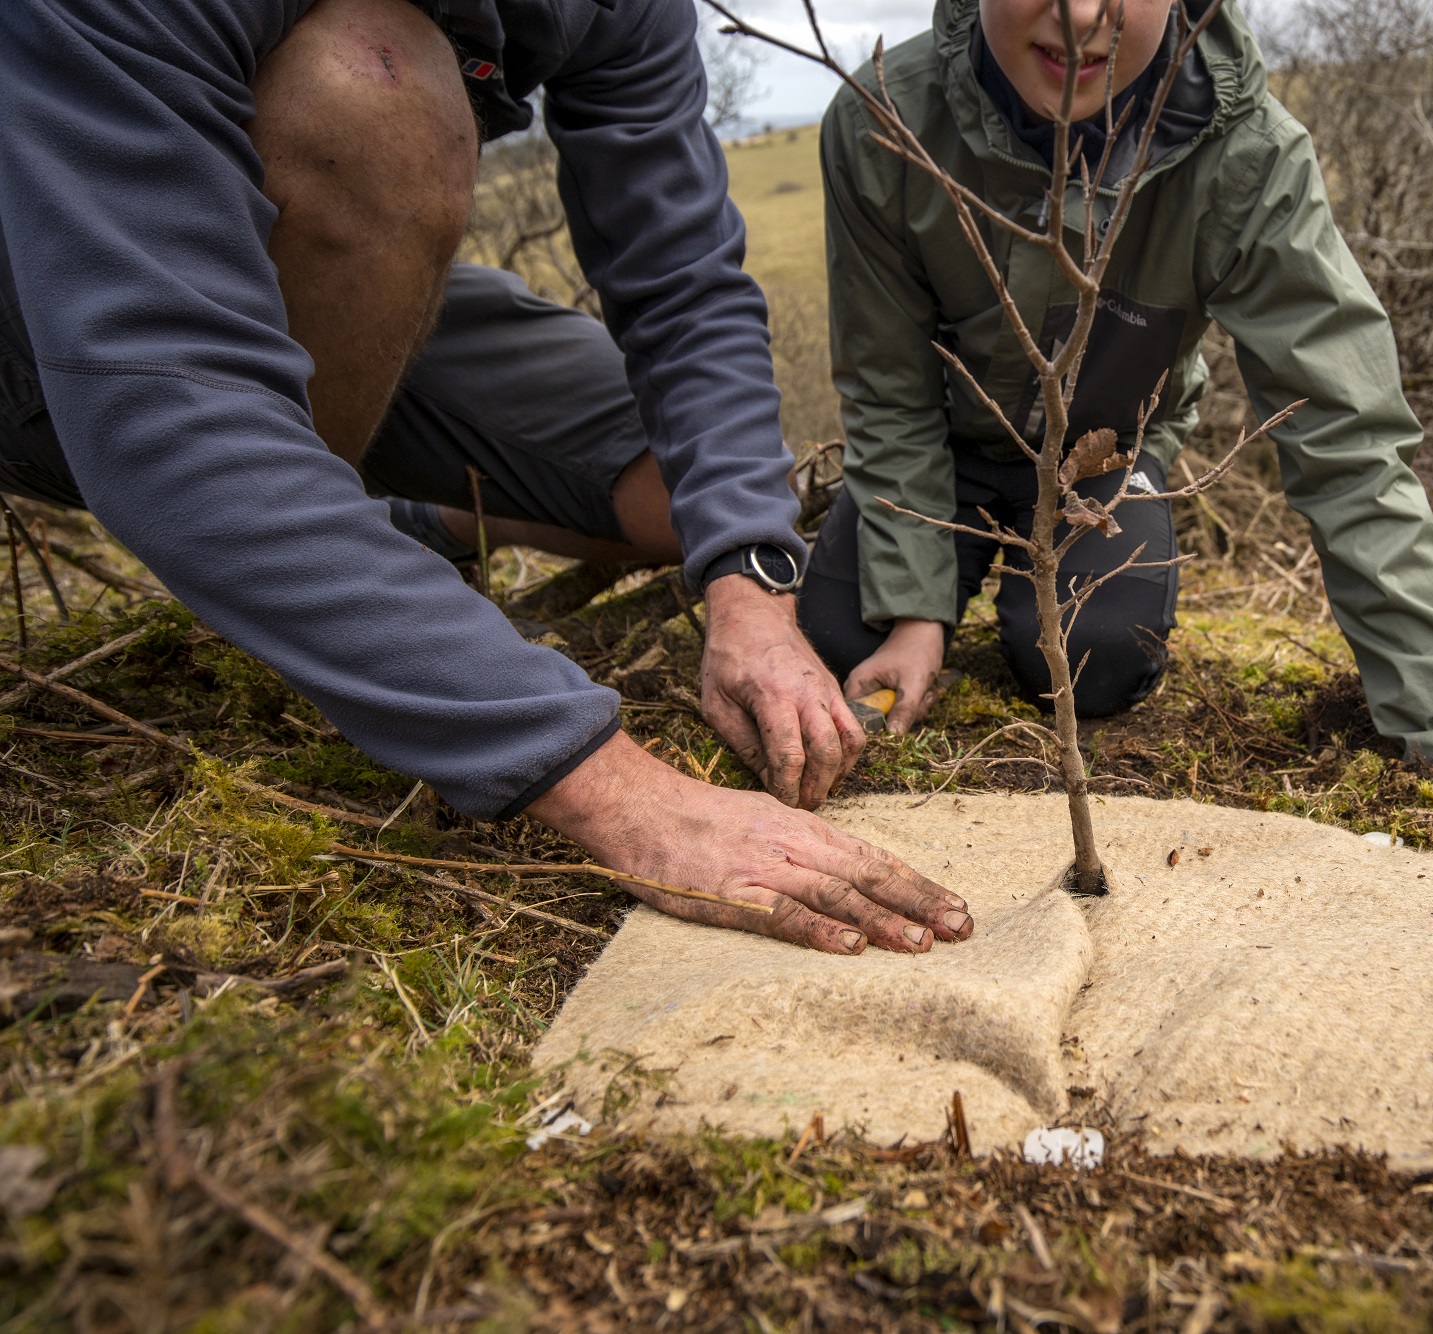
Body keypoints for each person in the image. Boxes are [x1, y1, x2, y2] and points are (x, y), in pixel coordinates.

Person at [0, 0, 971, 955]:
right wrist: (627, 795)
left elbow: (684, 288)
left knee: (690, 496)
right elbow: (170, 407)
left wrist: (752, 584)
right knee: (371, 79)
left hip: (332, 268)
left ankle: (403, 531)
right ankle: (320, 554)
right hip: (80, 285)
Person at [797, 0, 1433, 818]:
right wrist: (917, 616)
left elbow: (1347, 436)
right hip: (938, 458)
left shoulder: (1249, 155)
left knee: (1097, 661)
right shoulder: (885, 118)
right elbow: (890, 391)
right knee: (843, 636)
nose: (1080, 13)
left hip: (1100, 462)